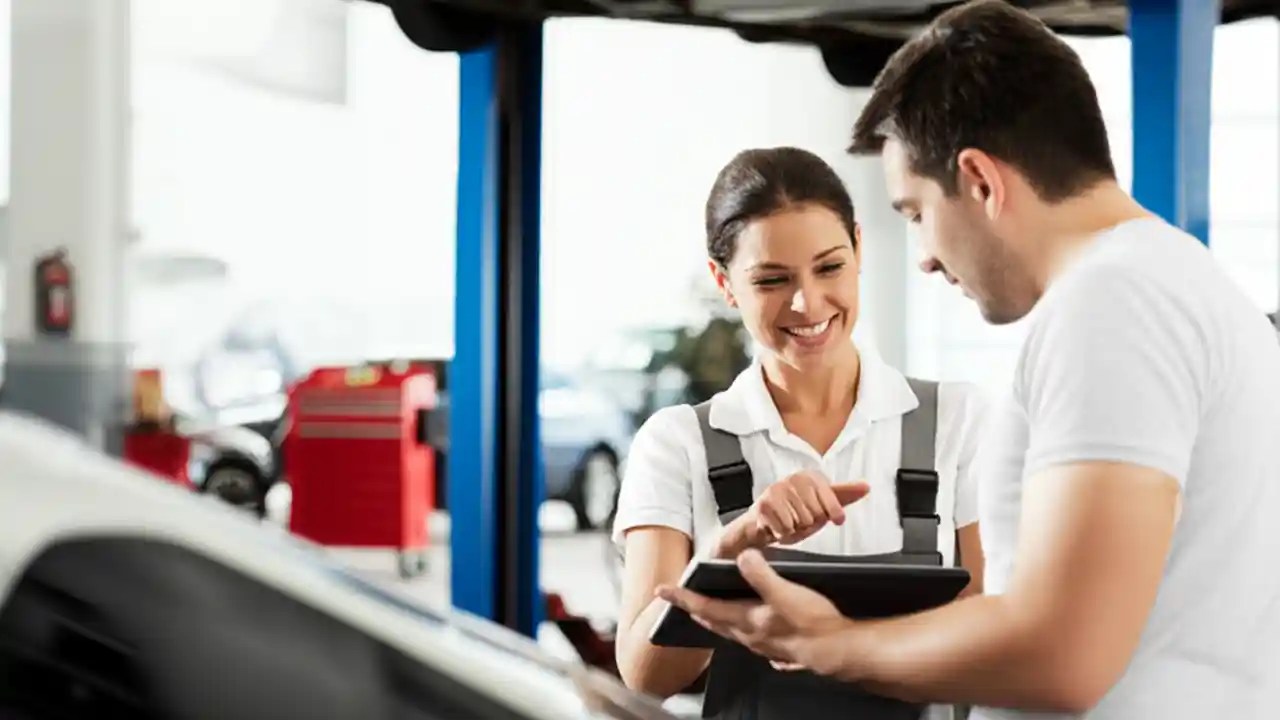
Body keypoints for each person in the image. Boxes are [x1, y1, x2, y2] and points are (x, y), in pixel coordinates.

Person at [658, 2, 1280, 719]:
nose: (922, 256)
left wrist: (829, 646)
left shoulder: (1112, 304)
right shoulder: (1183, 282)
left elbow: (1064, 654)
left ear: (980, 181)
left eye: (917, 211)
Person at [611, 146, 990, 719]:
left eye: (829, 267)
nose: (807, 302)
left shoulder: (955, 421)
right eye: (771, 279)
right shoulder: (678, 443)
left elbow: (989, 646)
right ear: (725, 282)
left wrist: (839, 646)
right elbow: (645, 678)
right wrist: (728, 554)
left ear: (859, 249)